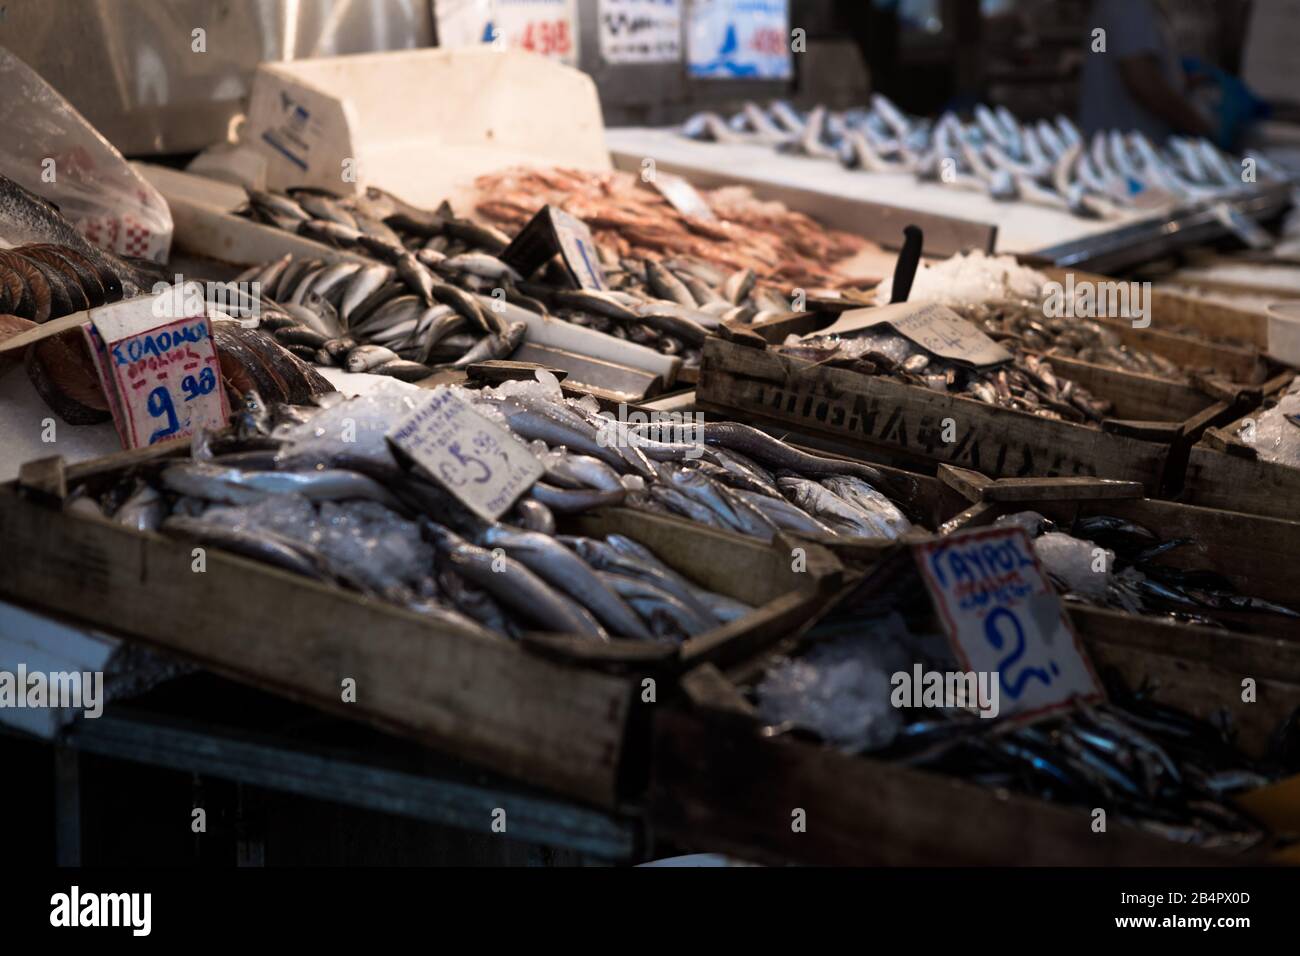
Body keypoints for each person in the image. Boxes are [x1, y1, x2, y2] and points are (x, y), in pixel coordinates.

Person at [1079, 0, 1213, 142]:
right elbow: (1140, 76)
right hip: (1128, 147)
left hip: (1120, 142)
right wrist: (1197, 125)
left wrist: (1179, 79)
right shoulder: (1130, 5)